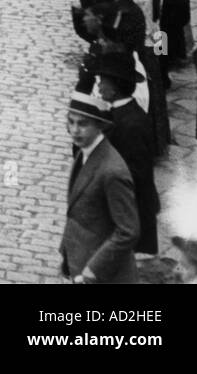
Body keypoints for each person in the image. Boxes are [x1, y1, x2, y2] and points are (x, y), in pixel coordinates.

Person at [60, 91, 139, 283]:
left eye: (83, 124)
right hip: (79, 262)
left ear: (99, 126)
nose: (75, 130)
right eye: (71, 122)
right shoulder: (85, 153)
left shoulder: (112, 171)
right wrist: (67, 256)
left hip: (106, 275)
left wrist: (93, 270)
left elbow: (128, 231)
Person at [93, 50, 159, 257]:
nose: (99, 86)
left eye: (102, 81)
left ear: (114, 88)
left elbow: (137, 174)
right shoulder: (117, 114)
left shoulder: (132, 124)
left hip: (129, 213)